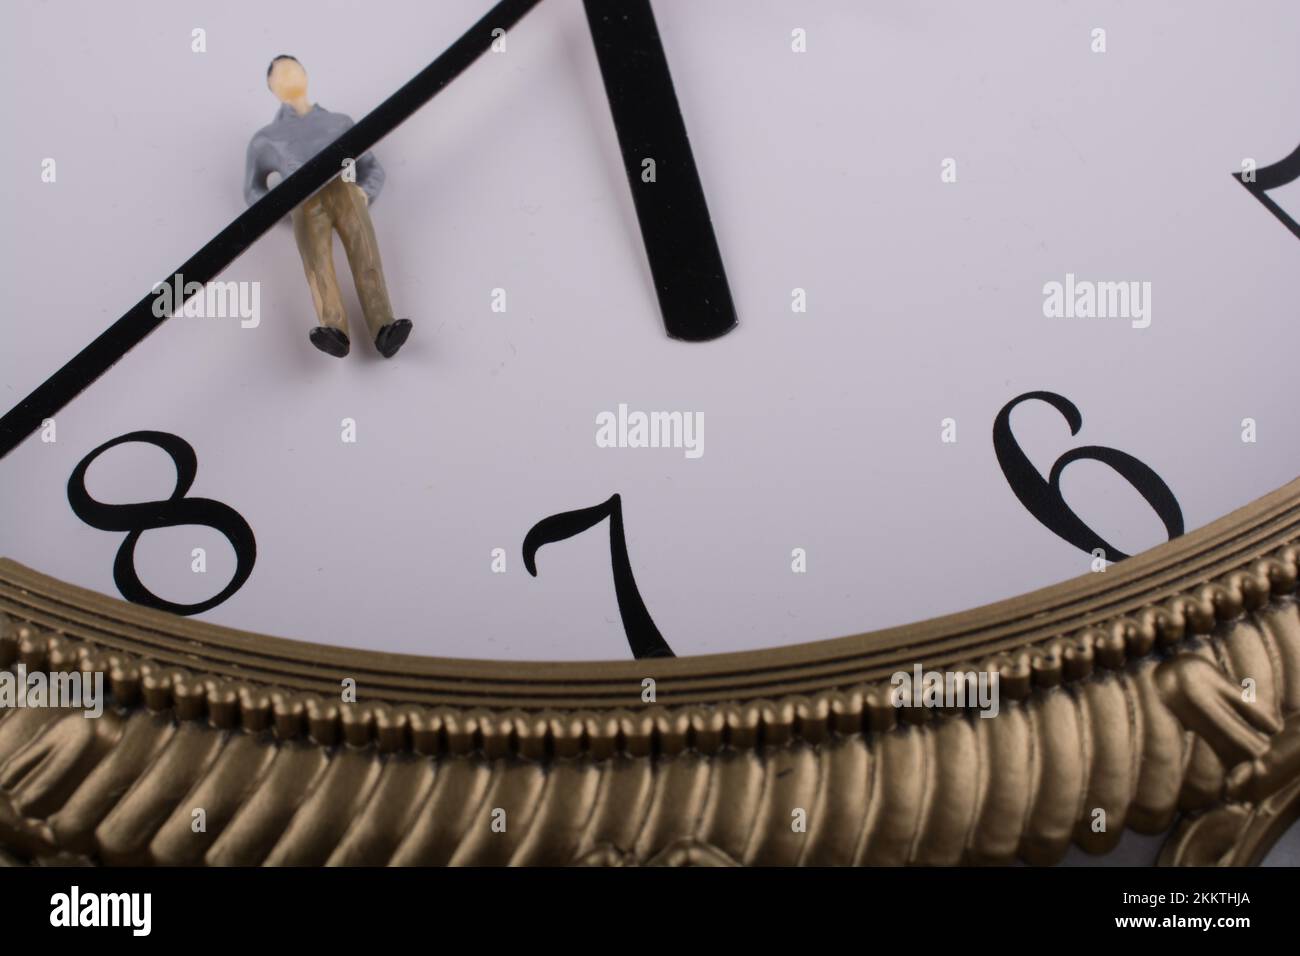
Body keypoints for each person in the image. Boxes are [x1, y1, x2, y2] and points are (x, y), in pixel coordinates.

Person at [244, 55, 413, 358]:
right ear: (271, 88)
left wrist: (363, 194)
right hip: (304, 199)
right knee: (317, 263)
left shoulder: (339, 122)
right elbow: (252, 189)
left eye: (293, 70)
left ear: (306, 75)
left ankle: (384, 326)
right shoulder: (267, 139)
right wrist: (284, 205)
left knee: (366, 253)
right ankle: (333, 329)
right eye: (280, 76)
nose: (288, 78)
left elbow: (372, 167)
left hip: (345, 190)